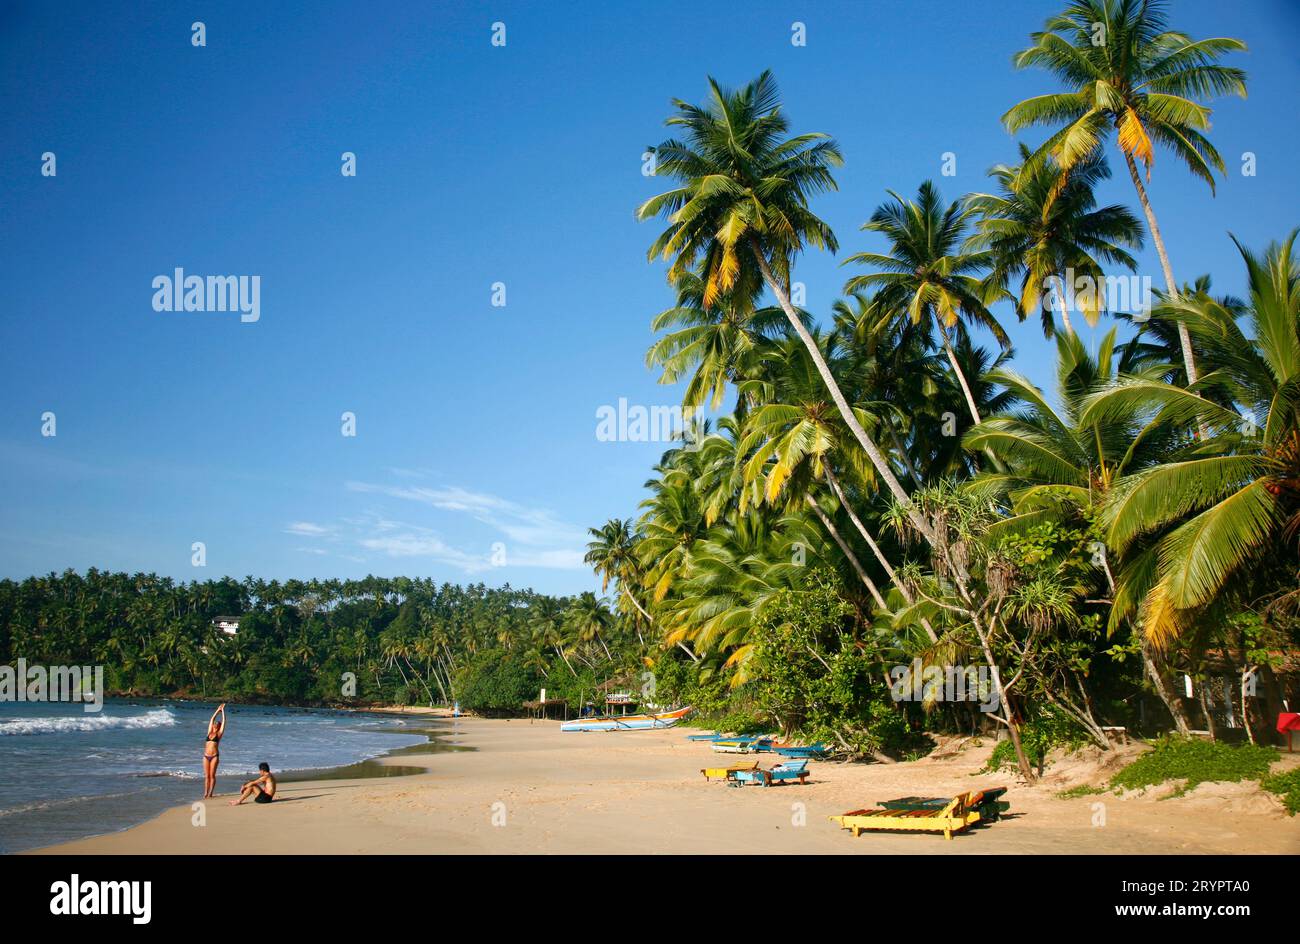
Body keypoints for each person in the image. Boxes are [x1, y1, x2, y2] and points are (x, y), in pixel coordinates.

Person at [202, 703, 226, 799]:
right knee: (207, 775)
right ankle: (205, 792)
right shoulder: (209, 733)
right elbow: (211, 719)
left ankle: (211, 792)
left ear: (219, 726)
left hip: (214, 756)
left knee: (212, 775)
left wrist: (223, 711)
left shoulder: (219, 734)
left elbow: (224, 721)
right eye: (214, 724)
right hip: (206, 756)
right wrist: (218, 710)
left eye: (217, 724)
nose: (215, 724)